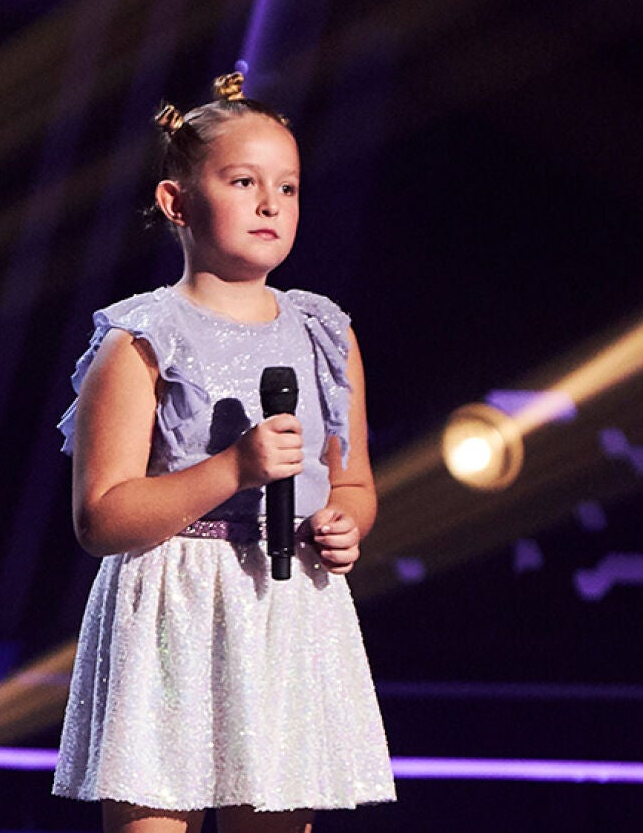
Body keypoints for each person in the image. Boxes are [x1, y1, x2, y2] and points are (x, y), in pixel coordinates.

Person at [53, 73, 394, 832]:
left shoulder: (325, 333)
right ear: (177, 202)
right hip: (171, 607)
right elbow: (101, 517)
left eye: (288, 187)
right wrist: (233, 468)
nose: (271, 203)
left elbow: (353, 483)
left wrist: (346, 523)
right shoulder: (142, 339)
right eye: (244, 182)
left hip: (286, 606)